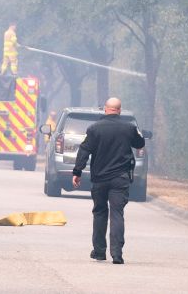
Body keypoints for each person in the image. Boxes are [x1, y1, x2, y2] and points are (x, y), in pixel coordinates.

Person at [72, 98, 145, 264]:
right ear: (119, 110)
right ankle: (117, 254)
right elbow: (140, 143)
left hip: (99, 178)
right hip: (120, 178)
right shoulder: (129, 128)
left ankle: (99, 251)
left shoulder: (94, 129)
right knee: (117, 213)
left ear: (105, 109)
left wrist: (77, 172)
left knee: (100, 212)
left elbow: (84, 150)